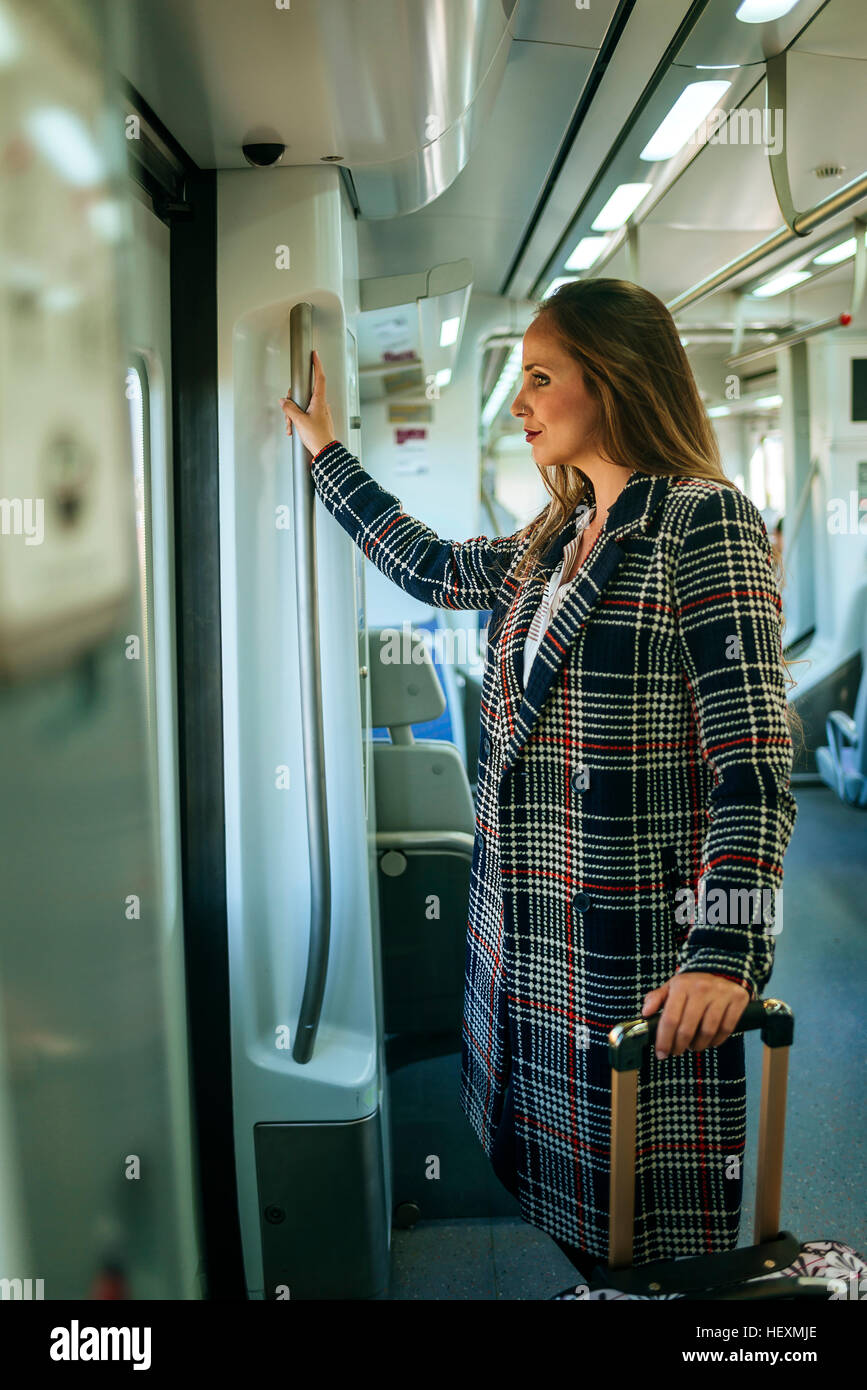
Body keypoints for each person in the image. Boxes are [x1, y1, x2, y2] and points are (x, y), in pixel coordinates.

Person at [280, 278, 800, 1278]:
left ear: (611, 383)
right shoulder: (554, 537)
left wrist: (726, 947)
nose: (521, 403)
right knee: (573, 1216)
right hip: (527, 955)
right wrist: (324, 452)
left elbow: (754, 764)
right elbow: (430, 564)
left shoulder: (703, 522)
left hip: (634, 957)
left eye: (539, 378)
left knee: (646, 1228)